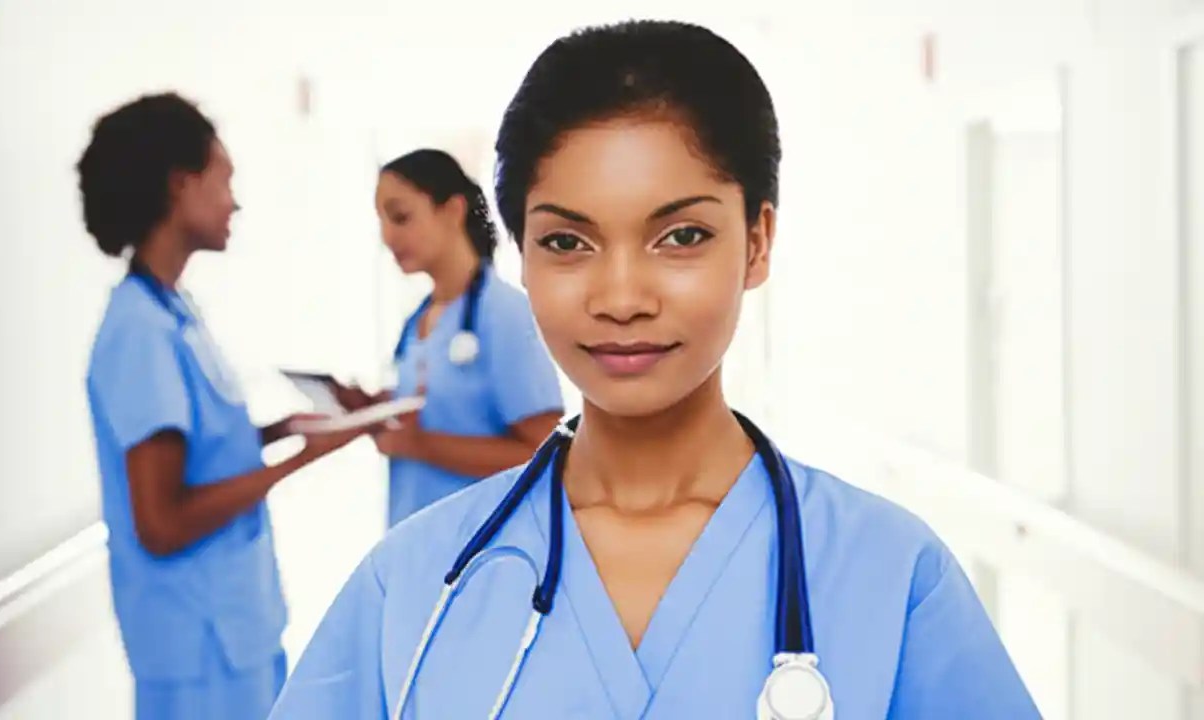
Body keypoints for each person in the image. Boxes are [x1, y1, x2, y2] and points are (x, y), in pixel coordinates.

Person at [269, 21, 1040, 719]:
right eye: (568, 244)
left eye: (681, 236)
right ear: (524, 261)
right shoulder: (411, 584)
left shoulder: (890, 575)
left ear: (758, 242)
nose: (622, 297)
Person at [79, 93, 362, 720]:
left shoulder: (173, 312)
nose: (234, 200)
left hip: (234, 630)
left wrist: (283, 428)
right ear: (181, 186)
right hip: (198, 648)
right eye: (224, 178)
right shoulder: (139, 332)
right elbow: (162, 521)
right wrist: (299, 461)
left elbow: (199, 453)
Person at [367, 149, 564, 526]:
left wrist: (420, 445)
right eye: (382, 221)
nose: (388, 236)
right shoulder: (418, 321)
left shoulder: (503, 312)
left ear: (453, 210)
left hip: (479, 553)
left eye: (401, 217)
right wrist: (373, 409)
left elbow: (545, 451)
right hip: (417, 545)